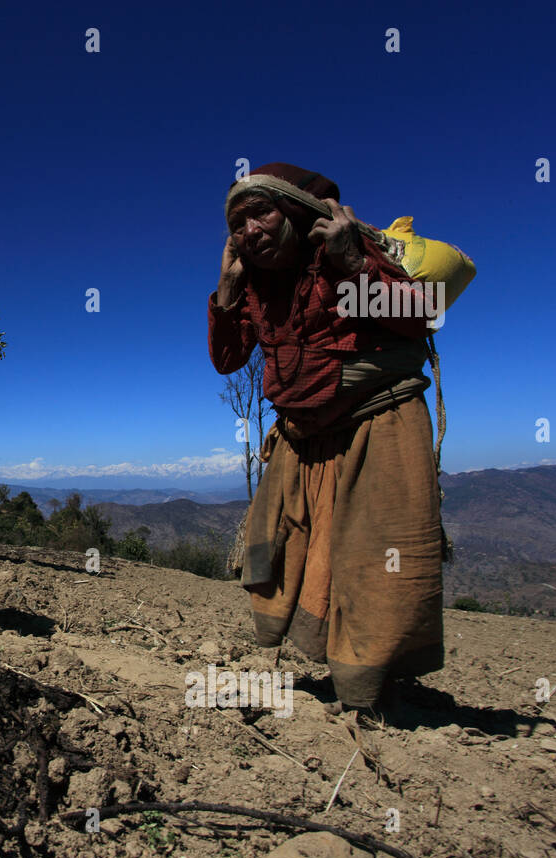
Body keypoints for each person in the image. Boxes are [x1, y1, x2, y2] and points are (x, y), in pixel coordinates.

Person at [209, 162, 444, 717]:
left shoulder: (344, 256)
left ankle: (368, 691)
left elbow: (421, 316)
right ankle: (327, 666)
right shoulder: (257, 288)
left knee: (371, 561)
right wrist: (226, 289)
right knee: (288, 549)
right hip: (303, 438)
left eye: (260, 213)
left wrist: (355, 261)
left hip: (376, 429)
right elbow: (227, 359)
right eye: (238, 223)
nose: (250, 231)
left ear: (293, 212)